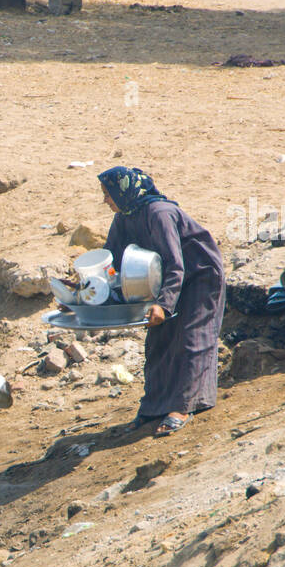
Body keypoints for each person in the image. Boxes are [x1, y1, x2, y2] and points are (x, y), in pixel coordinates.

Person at [98, 166, 226, 436]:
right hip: (163, 279)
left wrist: (164, 305)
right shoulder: (124, 217)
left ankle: (184, 405)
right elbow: (109, 262)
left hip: (199, 276)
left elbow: (175, 264)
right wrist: (83, 292)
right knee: (158, 341)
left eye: (107, 194)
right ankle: (152, 408)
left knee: (192, 338)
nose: (105, 201)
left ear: (123, 192)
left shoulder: (159, 214)